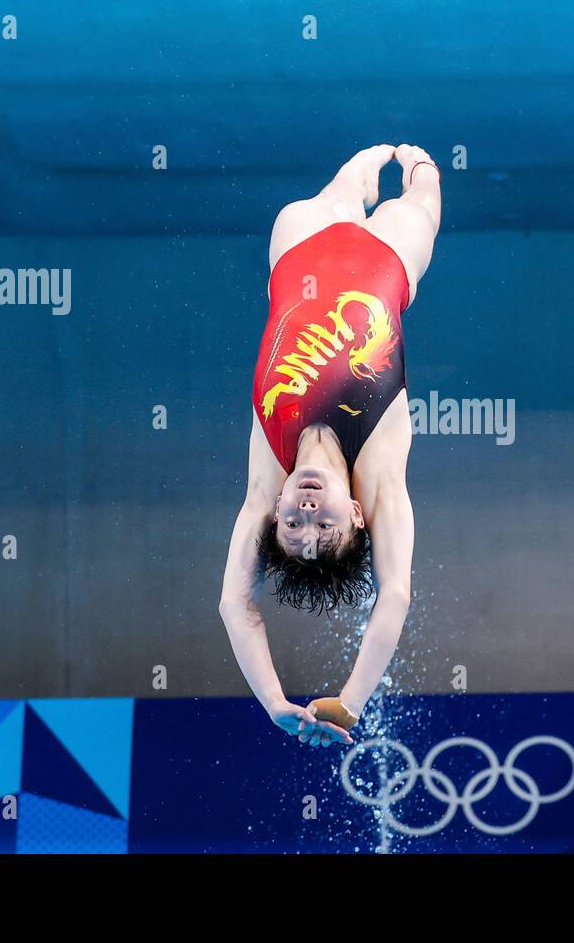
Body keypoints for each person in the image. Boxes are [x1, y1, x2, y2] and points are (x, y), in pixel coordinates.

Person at [219, 144, 441, 747]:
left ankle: (360, 175)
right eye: (327, 531)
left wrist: (272, 702)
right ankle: (420, 171)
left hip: (297, 245)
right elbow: (394, 595)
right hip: (391, 258)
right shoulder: (381, 476)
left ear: (275, 518)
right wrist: (349, 701)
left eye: (294, 531)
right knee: (421, 192)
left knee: (352, 177)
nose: (308, 517)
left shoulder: (267, 477)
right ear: (359, 517)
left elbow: (235, 604)